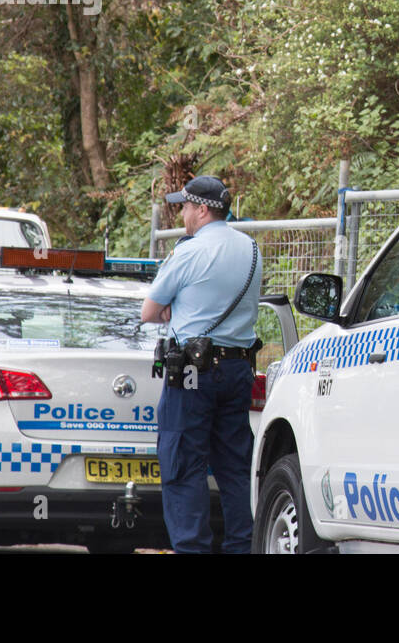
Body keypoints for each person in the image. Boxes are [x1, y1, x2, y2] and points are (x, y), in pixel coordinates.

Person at [141, 176, 262, 553]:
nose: (183, 214)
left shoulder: (190, 252)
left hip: (193, 373)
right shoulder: (252, 249)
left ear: (202, 209)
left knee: (183, 463)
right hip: (238, 369)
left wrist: (176, 311)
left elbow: (149, 311)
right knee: (234, 467)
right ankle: (242, 547)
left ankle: (192, 549)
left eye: (186, 207)